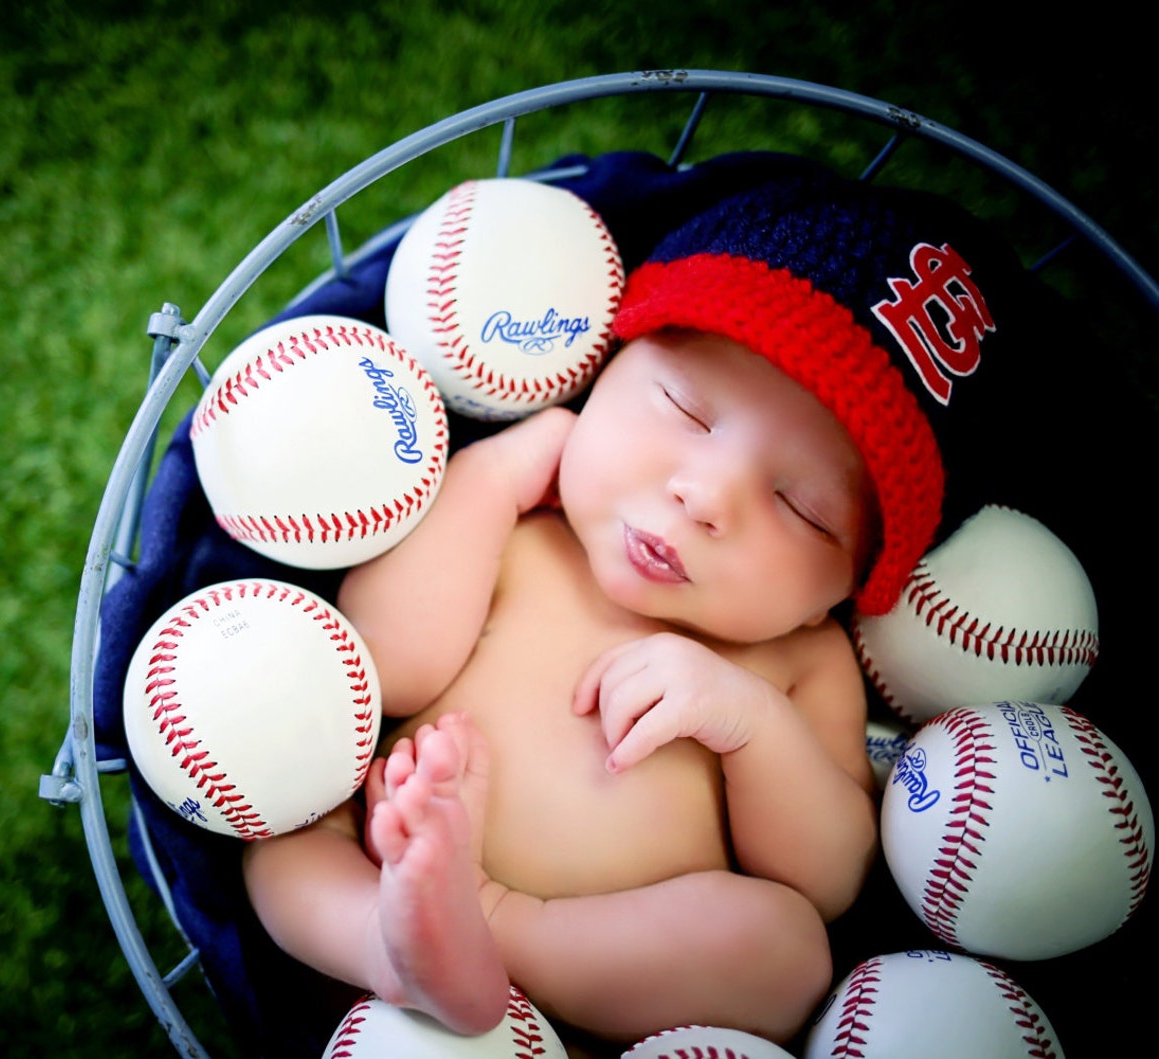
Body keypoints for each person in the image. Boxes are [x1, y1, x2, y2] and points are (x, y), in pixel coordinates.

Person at [236, 167, 1030, 1051]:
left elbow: (828, 876)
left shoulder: (799, 660)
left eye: (802, 509)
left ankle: (484, 936)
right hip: (384, 850)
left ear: (841, 594)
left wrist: (751, 726)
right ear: (602, 368)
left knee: (785, 949)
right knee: (287, 825)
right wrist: (491, 476)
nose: (706, 495)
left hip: (615, 958)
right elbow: (381, 664)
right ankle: (392, 944)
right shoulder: (519, 526)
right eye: (684, 409)